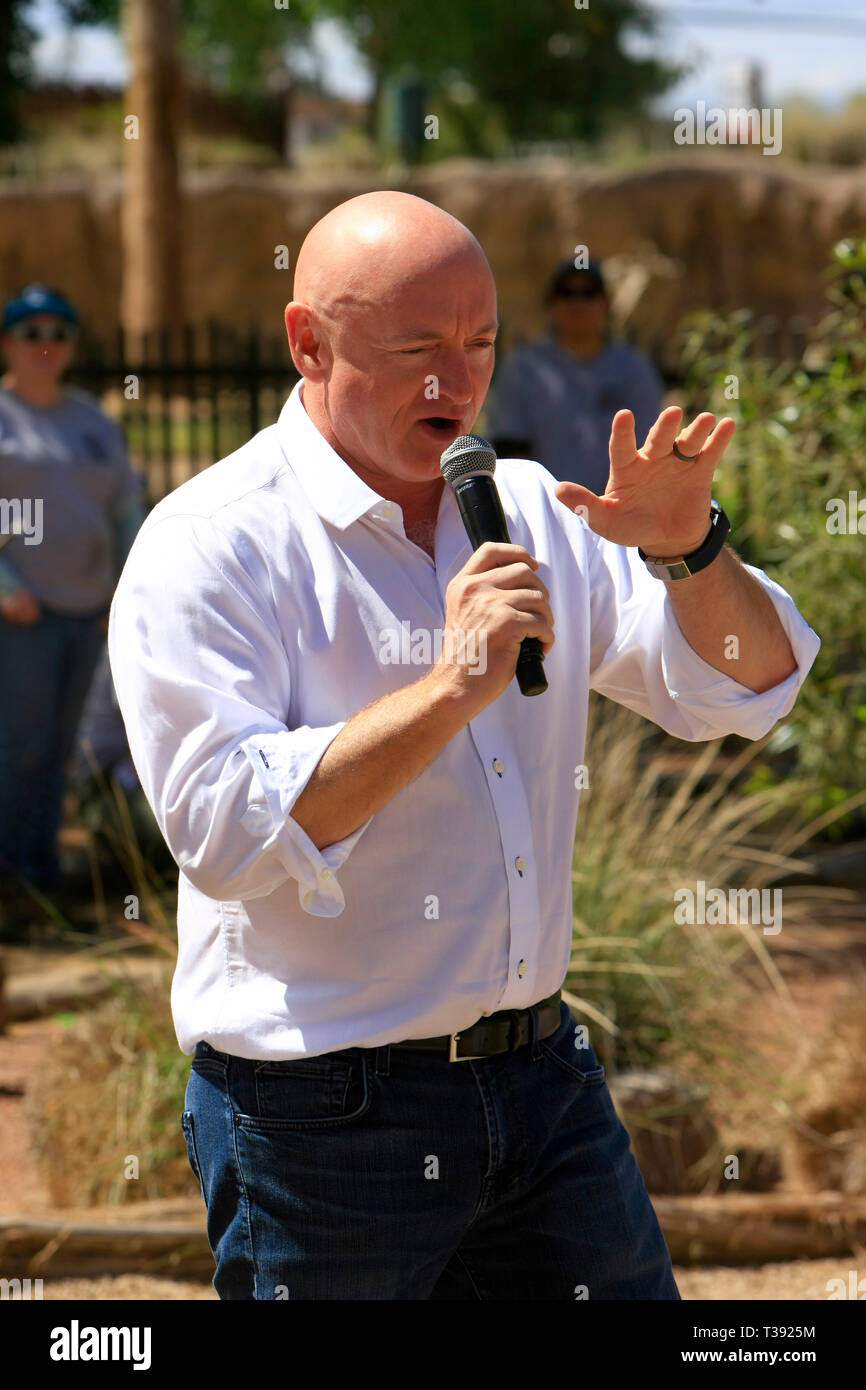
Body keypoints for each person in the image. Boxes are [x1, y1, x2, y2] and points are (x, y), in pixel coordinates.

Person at [108, 192, 819, 1300]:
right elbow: (223, 835)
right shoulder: (208, 545)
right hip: (324, 1126)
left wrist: (692, 552)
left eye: (480, 342)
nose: (458, 379)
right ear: (308, 342)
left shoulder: (531, 507)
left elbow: (745, 690)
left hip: (544, 1088)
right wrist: (449, 686)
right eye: (415, 348)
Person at [0, 284, 145, 912]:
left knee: (62, 749)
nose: (45, 345)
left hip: (90, 615)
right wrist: (6, 590)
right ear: (9, 342)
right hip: (24, 615)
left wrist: (128, 591)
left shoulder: (92, 421)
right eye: (31, 332)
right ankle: (12, 879)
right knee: (17, 748)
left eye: (58, 333)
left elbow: (126, 511)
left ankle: (43, 876)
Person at [486, 256, 663, 494]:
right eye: (567, 293)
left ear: (605, 304)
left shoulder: (635, 369)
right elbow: (510, 451)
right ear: (551, 303)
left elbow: (649, 450)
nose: (578, 303)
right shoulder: (522, 368)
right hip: (543, 513)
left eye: (589, 293)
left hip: (619, 513)